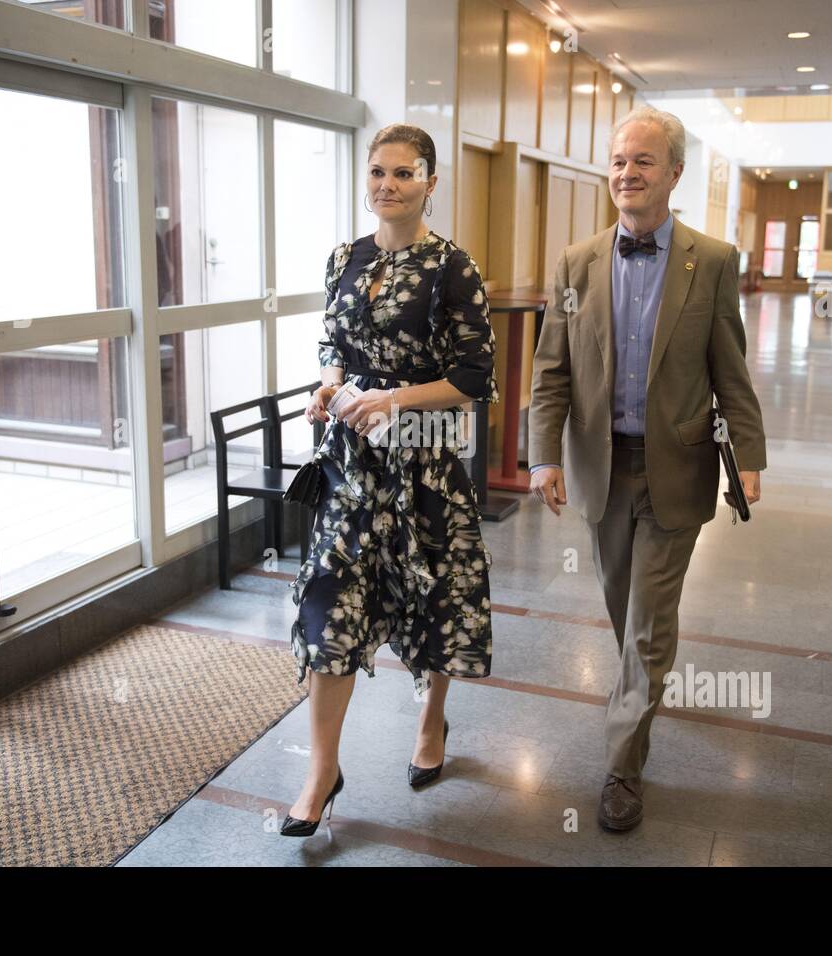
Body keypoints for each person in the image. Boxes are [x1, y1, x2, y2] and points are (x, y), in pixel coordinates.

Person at [527, 105, 766, 832]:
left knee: (649, 622)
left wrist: (749, 456)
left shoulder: (713, 260)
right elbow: (551, 369)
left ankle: (623, 766)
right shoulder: (577, 262)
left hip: (678, 467)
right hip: (602, 468)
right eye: (618, 161)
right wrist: (543, 455)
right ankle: (644, 691)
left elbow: (730, 369)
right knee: (623, 609)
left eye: (643, 161)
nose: (627, 173)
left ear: (674, 172)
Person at [281, 123, 499, 836]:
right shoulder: (344, 257)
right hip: (351, 467)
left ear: (431, 183)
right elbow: (333, 341)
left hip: (426, 465)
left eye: (404, 173)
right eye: (378, 171)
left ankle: (432, 719)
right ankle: (322, 771)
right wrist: (328, 385)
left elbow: (474, 377)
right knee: (328, 602)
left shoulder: (452, 267)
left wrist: (393, 400)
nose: (388, 184)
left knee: (433, 597)